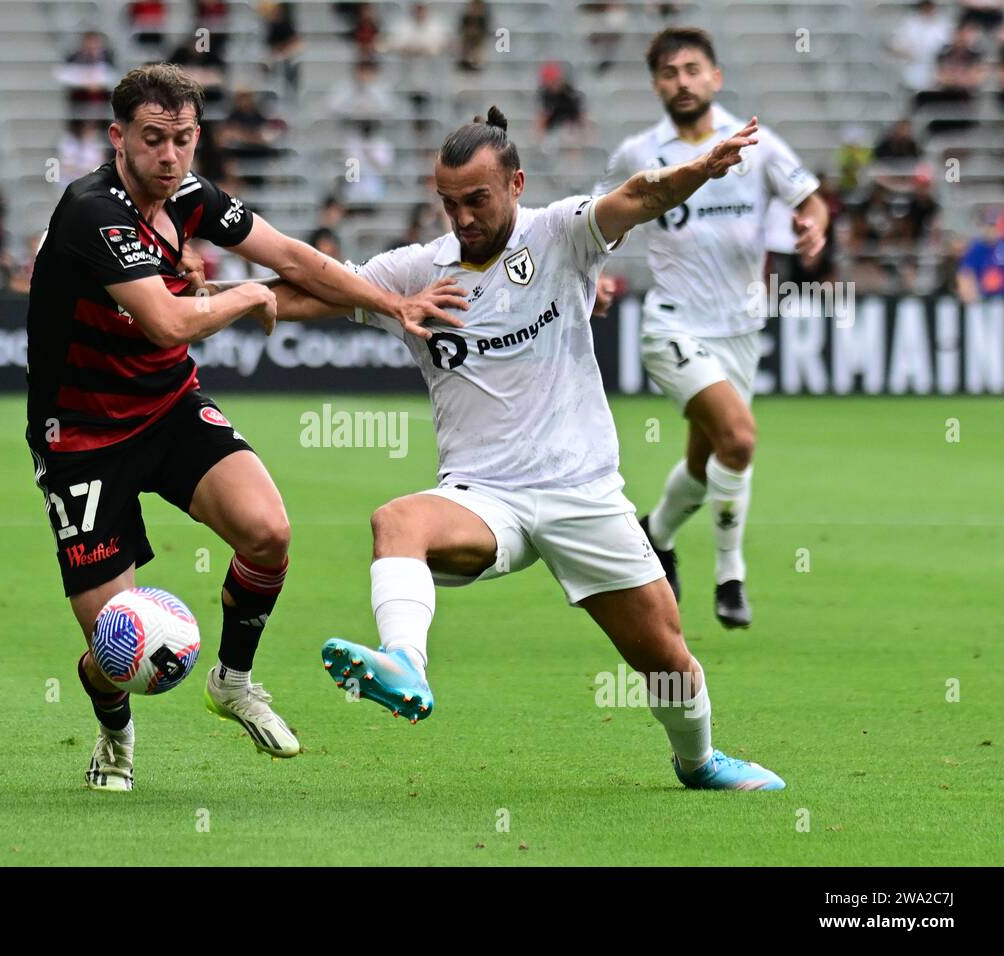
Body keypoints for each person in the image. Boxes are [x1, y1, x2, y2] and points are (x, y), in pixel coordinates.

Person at [262, 105, 787, 791]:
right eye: (449, 203)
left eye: (477, 199)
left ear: (516, 183)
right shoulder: (418, 269)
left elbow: (638, 195)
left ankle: (699, 762)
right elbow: (311, 292)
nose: (463, 217)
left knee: (669, 661)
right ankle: (405, 663)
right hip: (484, 497)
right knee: (396, 521)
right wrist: (205, 300)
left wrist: (699, 168)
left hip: (584, 492)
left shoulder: (561, 234)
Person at [24, 63, 465, 790]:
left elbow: (294, 256)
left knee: (269, 532)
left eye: (184, 140)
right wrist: (248, 295)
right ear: (117, 138)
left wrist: (396, 307)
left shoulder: (190, 196)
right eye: (153, 140)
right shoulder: (91, 211)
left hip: (166, 408)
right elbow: (169, 323)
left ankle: (232, 681)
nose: (170, 157)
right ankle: (114, 735)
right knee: (117, 650)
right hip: (83, 440)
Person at [596, 27, 829, 629]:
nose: (682, 82)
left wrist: (813, 225)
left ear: (715, 76)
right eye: (670, 73)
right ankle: (730, 575)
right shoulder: (638, 153)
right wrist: (591, 272)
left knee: (710, 460)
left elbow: (810, 197)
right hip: (672, 324)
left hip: (741, 330)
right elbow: (599, 222)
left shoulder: (755, 142)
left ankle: (658, 531)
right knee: (742, 439)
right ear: (656, 85)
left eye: (693, 69)